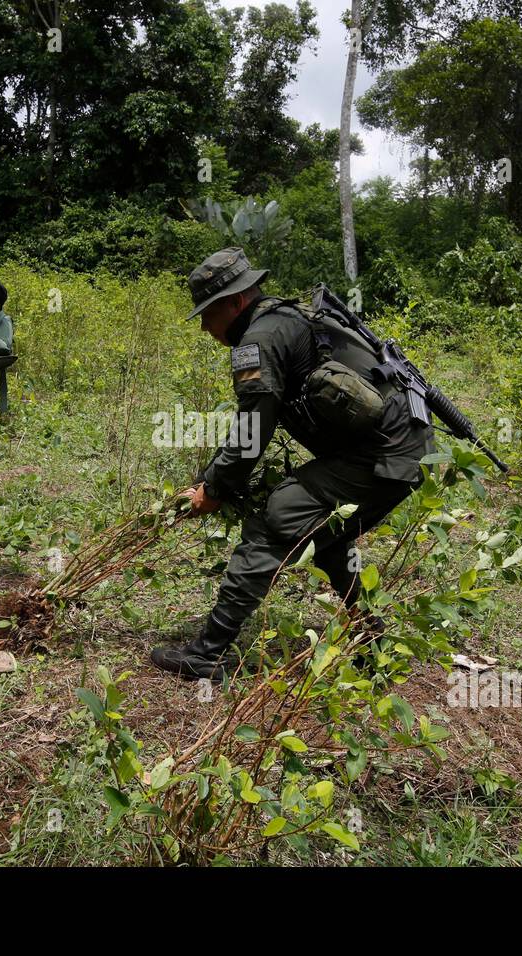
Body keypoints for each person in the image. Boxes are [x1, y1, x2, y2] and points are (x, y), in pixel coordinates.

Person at [150, 248, 435, 681]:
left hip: (384, 454)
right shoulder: (287, 318)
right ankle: (371, 643)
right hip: (404, 445)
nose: (206, 327)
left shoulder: (258, 341)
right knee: (330, 539)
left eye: (209, 313)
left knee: (277, 518)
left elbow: (251, 434)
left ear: (235, 302)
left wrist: (214, 488)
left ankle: (208, 651)